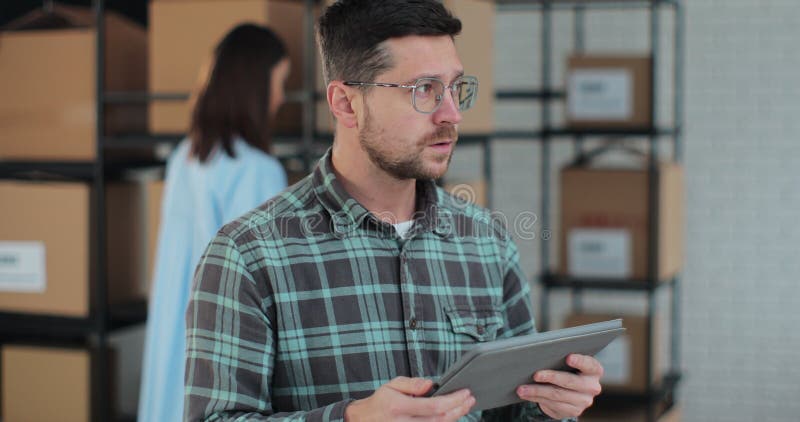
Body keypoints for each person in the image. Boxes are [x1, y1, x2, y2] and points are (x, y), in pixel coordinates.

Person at [185, 1, 604, 421]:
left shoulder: (488, 244)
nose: (452, 114)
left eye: (455, 87)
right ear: (346, 104)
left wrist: (553, 405)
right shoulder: (246, 257)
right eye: (424, 90)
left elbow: (512, 412)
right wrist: (351, 419)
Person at [138, 24, 291, 422]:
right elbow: (262, 283)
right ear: (255, 87)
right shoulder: (257, 170)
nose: (282, 97)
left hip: (176, 339)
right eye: (279, 83)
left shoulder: (185, 156)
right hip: (222, 352)